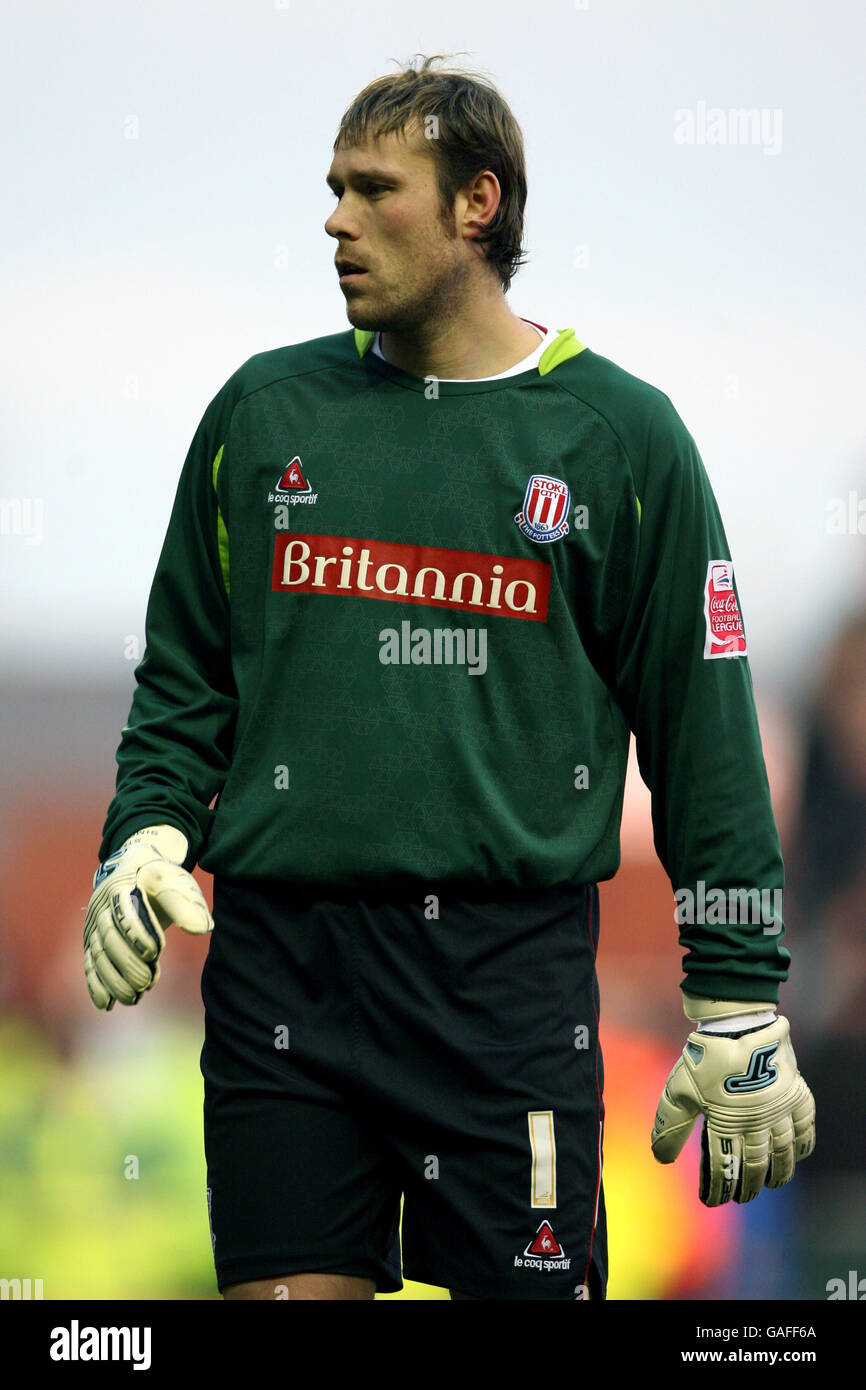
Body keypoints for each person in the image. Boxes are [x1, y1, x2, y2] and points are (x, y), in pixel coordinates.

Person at [82, 55, 815, 1302]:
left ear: (477, 204)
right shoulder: (260, 414)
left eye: (373, 190)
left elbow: (702, 735)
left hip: (501, 989)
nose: (334, 219)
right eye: (331, 189)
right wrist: (144, 831)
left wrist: (735, 994)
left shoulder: (619, 439)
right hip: (281, 976)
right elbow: (186, 682)